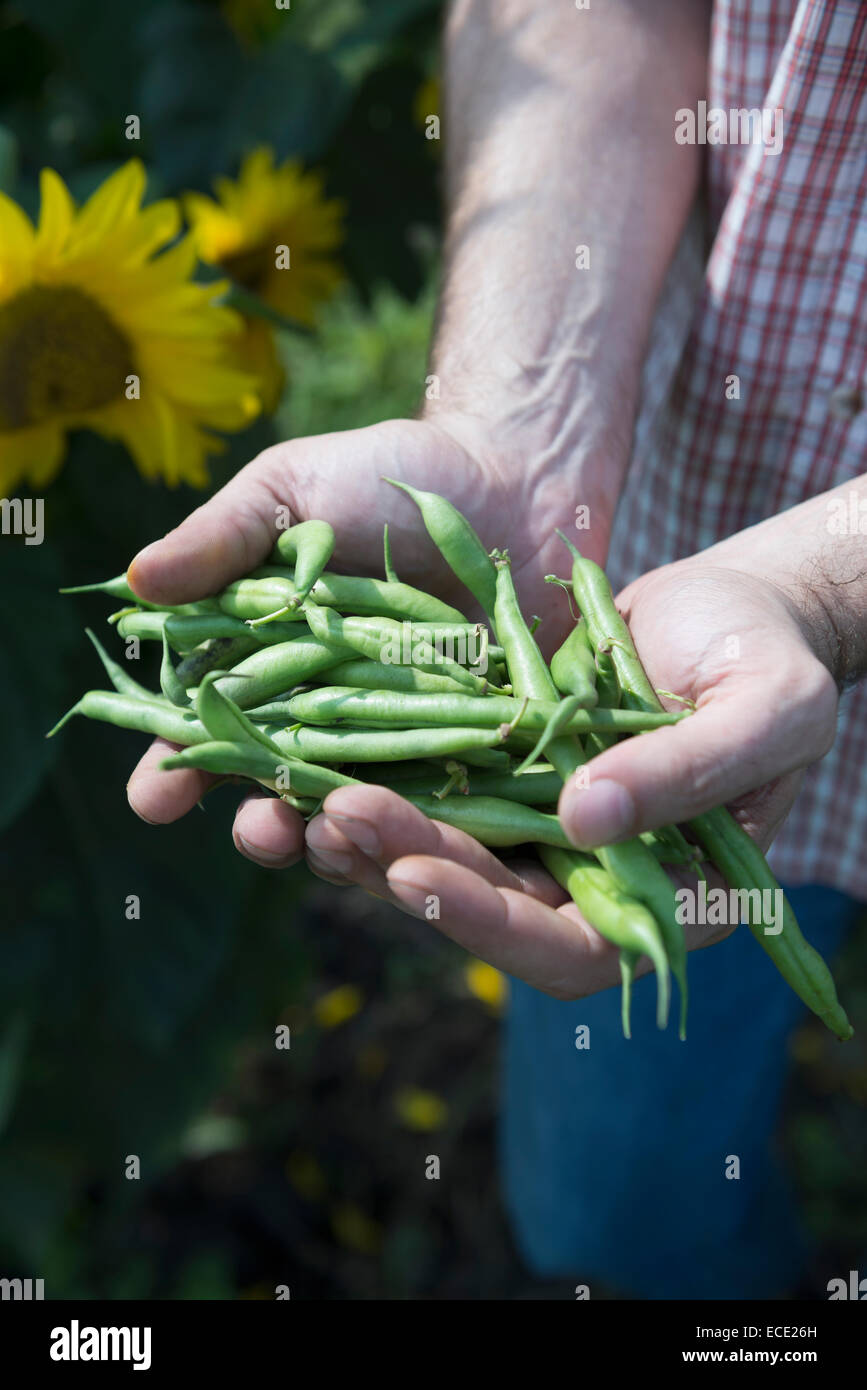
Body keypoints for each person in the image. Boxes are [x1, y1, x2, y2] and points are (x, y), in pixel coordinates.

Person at [125, 1, 867, 1298]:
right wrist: (514, 430)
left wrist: (820, 588)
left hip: (718, 615)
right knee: (617, 1205)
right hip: (681, 599)